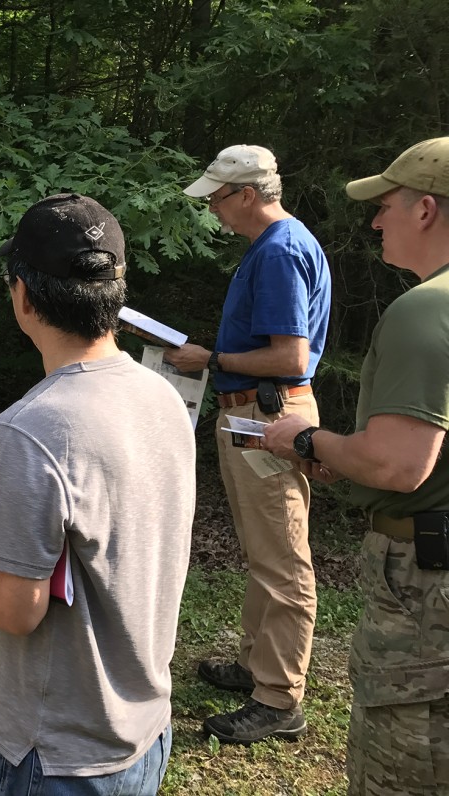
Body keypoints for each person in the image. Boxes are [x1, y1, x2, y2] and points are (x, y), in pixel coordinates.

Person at [0, 194, 195, 794]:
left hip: (52, 753)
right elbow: (104, 485)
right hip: (142, 730)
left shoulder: (31, 426)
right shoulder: (162, 398)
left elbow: (15, 608)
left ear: (22, 294)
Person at [264, 137, 449, 795]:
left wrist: (310, 442)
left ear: (425, 210)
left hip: (426, 598)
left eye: (387, 205)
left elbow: (399, 466)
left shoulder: (426, 309)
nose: (376, 221)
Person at [164, 144, 331, 744]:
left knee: (284, 560)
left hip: (269, 416)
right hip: (254, 414)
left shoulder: (281, 252)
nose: (212, 207)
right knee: (265, 551)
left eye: (217, 196)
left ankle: (280, 698)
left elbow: (288, 357)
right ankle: (256, 667)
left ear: (248, 194)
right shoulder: (272, 247)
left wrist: (211, 359)